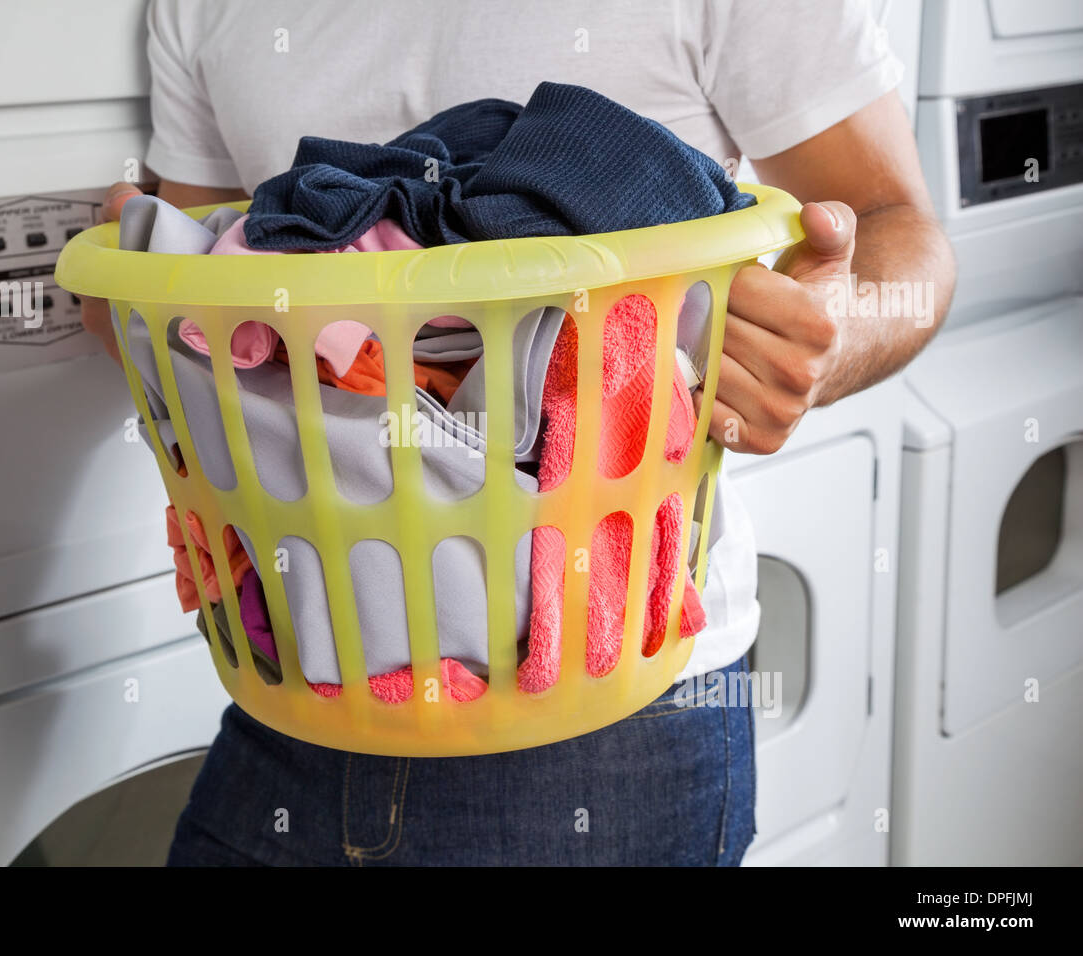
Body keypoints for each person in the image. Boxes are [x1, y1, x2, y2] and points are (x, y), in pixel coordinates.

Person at [80, 0, 956, 866]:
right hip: (299, 665)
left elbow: (897, 224)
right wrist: (125, 282)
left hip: (610, 698)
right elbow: (196, 316)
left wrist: (826, 340)